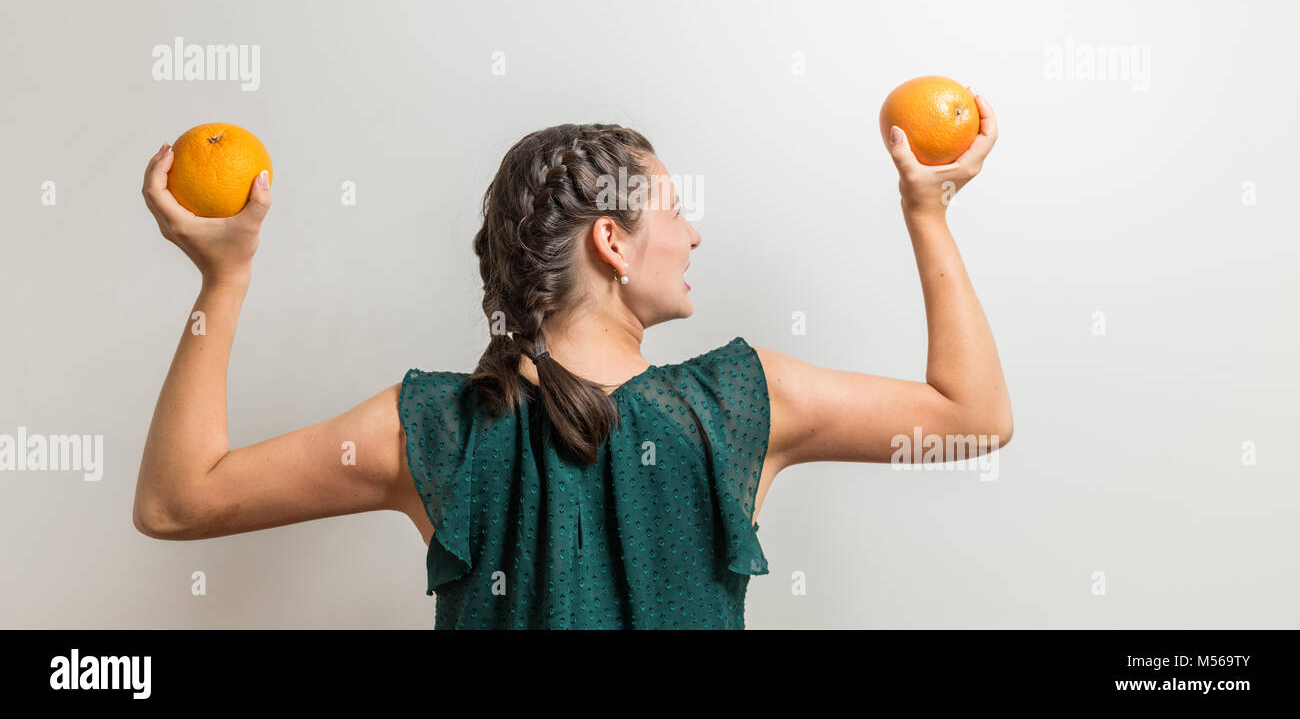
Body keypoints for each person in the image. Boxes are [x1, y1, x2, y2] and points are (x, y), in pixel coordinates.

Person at [135, 98, 1010, 628]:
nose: (694, 233)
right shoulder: (744, 404)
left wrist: (225, 275)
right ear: (612, 243)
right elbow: (974, 418)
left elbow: (178, 501)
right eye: (674, 211)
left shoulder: (435, 430)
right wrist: (928, 212)